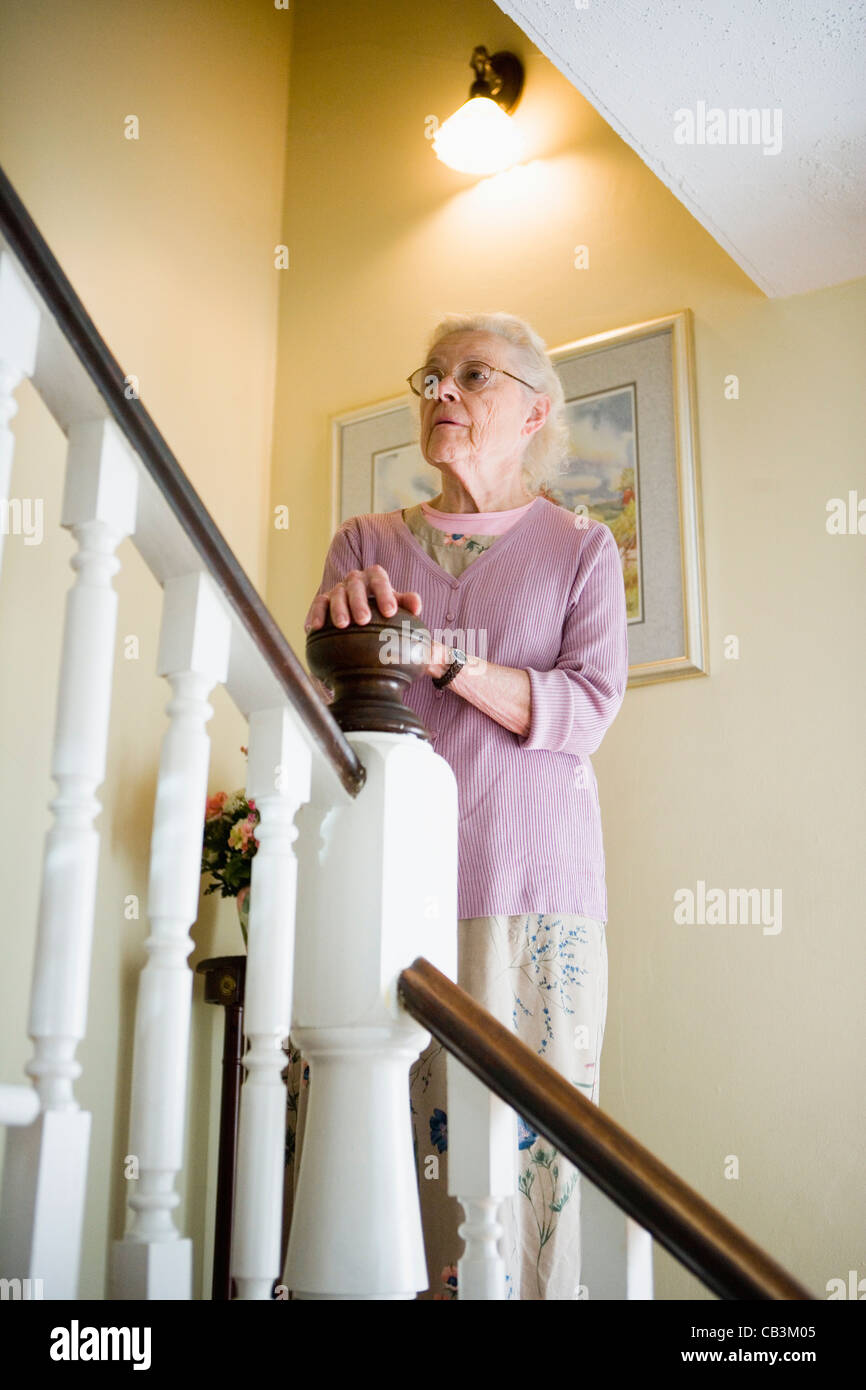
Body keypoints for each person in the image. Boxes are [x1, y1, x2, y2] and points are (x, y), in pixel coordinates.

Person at [289, 311, 628, 1300]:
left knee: (532, 1164)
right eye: (429, 376)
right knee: (383, 1147)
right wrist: (330, 650)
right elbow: (325, 709)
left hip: (532, 885)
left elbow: (585, 707)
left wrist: (445, 657)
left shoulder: (580, 547)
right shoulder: (365, 542)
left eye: (472, 376)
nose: (440, 391)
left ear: (532, 412)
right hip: (387, 887)